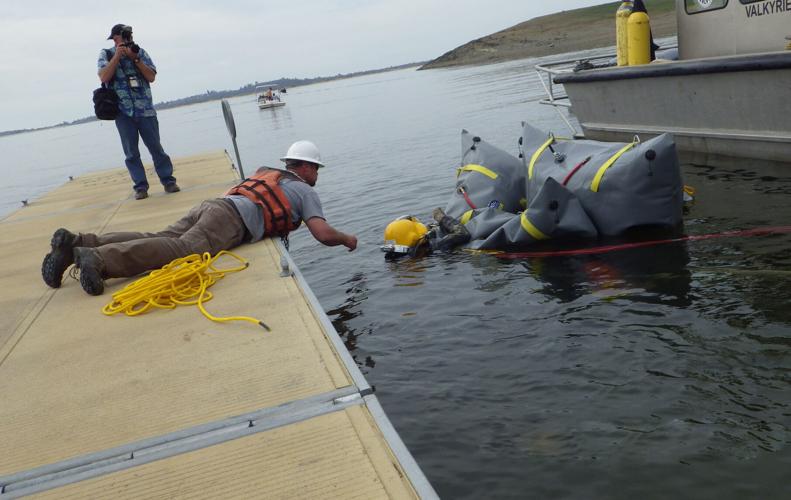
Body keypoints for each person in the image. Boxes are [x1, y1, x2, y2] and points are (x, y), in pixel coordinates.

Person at [41, 141, 358, 296]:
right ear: (303, 167)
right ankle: (99, 259)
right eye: (316, 167)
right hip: (231, 220)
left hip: (215, 205)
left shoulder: (270, 174)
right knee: (182, 251)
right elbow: (322, 233)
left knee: (159, 237)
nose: (316, 174)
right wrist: (347, 239)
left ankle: (77, 243)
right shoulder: (304, 190)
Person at [99, 24, 179, 200]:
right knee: (131, 153)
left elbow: (151, 77)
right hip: (122, 112)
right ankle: (140, 187)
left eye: (129, 34)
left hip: (145, 110)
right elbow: (104, 77)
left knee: (157, 149)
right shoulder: (106, 54)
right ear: (114, 38)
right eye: (123, 35)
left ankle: (168, 181)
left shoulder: (140, 52)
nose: (128, 38)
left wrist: (136, 59)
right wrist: (117, 57)